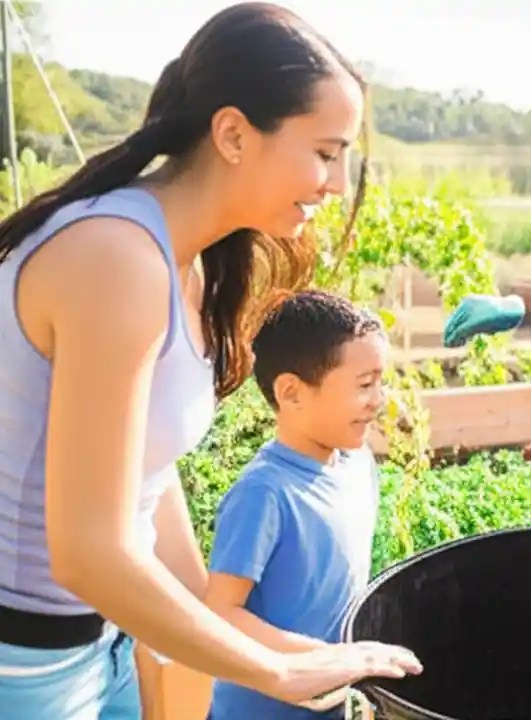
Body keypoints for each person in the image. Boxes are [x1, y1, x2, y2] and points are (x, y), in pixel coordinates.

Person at [0, 3, 419, 716]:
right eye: (324, 151)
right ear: (232, 134)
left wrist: (256, 635)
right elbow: (86, 550)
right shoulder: (116, 260)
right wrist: (271, 673)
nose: (336, 185)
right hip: (27, 665)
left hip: (101, 643)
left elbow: (144, 474)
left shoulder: (184, 267)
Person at [206, 290, 388, 720]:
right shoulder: (264, 494)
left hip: (329, 705)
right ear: (291, 392)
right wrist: (329, 658)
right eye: (364, 385)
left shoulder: (358, 465)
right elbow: (220, 614)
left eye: (382, 381)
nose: (378, 400)